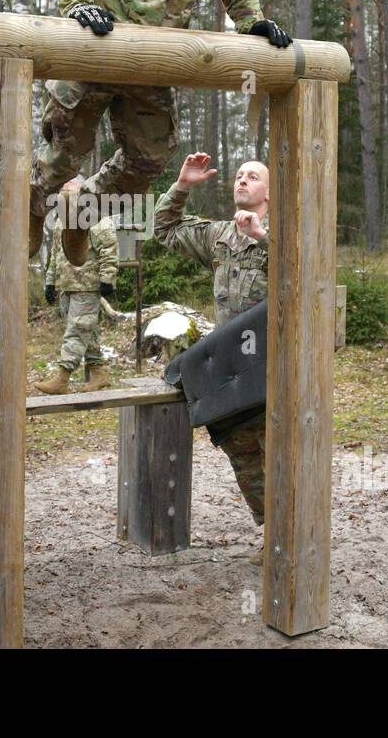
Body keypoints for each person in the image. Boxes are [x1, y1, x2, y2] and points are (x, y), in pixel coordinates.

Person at [29, 0, 293, 266]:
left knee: (149, 158)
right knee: (63, 156)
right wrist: (78, 4)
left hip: (151, 60)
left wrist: (251, 22)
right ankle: (36, 206)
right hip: (96, 44)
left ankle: (80, 213)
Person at [154, 152, 269, 559]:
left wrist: (262, 237)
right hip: (230, 366)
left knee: (277, 449)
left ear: (268, 193)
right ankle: (272, 530)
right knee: (240, 449)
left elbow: (308, 270)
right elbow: (164, 230)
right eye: (238, 175)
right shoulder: (219, 236)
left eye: (252, 177)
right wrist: (183, 185)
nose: (242, 181)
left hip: (272, 366)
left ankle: (292, 531)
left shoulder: (283, 234)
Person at [35, 180, 120, 395]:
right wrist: (50, 283)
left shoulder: (95, 216)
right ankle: (99, 372)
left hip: (87, 285)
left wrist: (107, 278)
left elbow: (109, 248)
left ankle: (62, 376)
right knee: (85, 330)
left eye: (68, 192)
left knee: (77, 329)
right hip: (67, 285)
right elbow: (55, 254)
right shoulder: (61, 219)